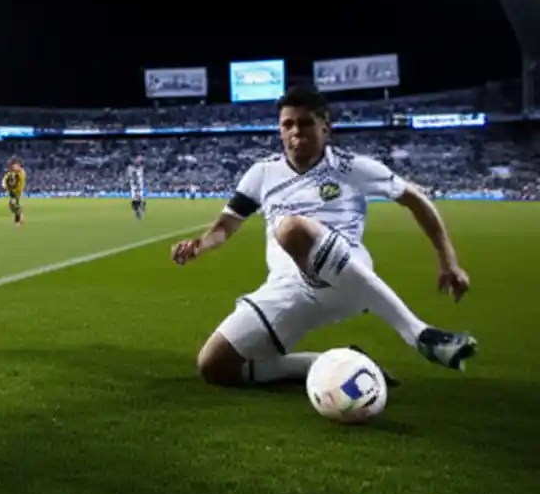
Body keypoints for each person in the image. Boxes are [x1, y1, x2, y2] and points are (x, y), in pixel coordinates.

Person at [169, 86, 477, 387]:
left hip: (346, 275)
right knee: (215, 366)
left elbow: (416, 199)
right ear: (279, 130)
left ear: (325, 127)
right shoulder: (262, 173)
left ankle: (420, 334)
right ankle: (336, 364)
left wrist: (449, 262)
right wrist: (199, 245)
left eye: (306, 123)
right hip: (288, 286)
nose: (295, 132)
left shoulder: (353, 168)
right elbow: (227, 225)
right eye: (287, 124)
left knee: (291, 229)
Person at [1, 157, 27, 226]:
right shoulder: (12, 174)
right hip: (14, 191)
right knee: (12, 206)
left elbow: (17, 173)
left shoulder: (20, 173)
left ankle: (17, 222)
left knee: (15, 205)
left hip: (15, 192)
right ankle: (20, 216)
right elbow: (5, 180)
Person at [128, 155, 146, 221]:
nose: (139, 162)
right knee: (136, 200)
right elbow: (132, 177)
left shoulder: (141, 168)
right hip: (135, 187)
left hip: (139, 186)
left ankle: (140, 210)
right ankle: (137, 211)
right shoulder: (131, 168)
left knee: (140, 200)